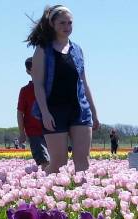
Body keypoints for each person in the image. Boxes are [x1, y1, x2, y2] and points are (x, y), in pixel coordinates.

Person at [27, 5, 100, 173]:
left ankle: (83, 190)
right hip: (54, 110)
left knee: (83, 160)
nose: (67, 27)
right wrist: (45, 113)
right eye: (62, 23)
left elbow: (84, 83)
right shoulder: (43, 49)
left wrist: (94, 112)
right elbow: (38, 84)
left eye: (70, 23)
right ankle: (44, 187)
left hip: (79, 109)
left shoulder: (77, 50)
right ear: (52, 24)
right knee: (59, 162)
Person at [17, 57, 51, 168]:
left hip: (52, 129)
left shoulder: (50, 88)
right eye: (34, 68)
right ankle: (48, 177)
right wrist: (22, 132)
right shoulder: (25, 91)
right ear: (28, 71)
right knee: (44, 159)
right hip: (34, 132)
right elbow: (20, 113)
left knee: (55, 159)